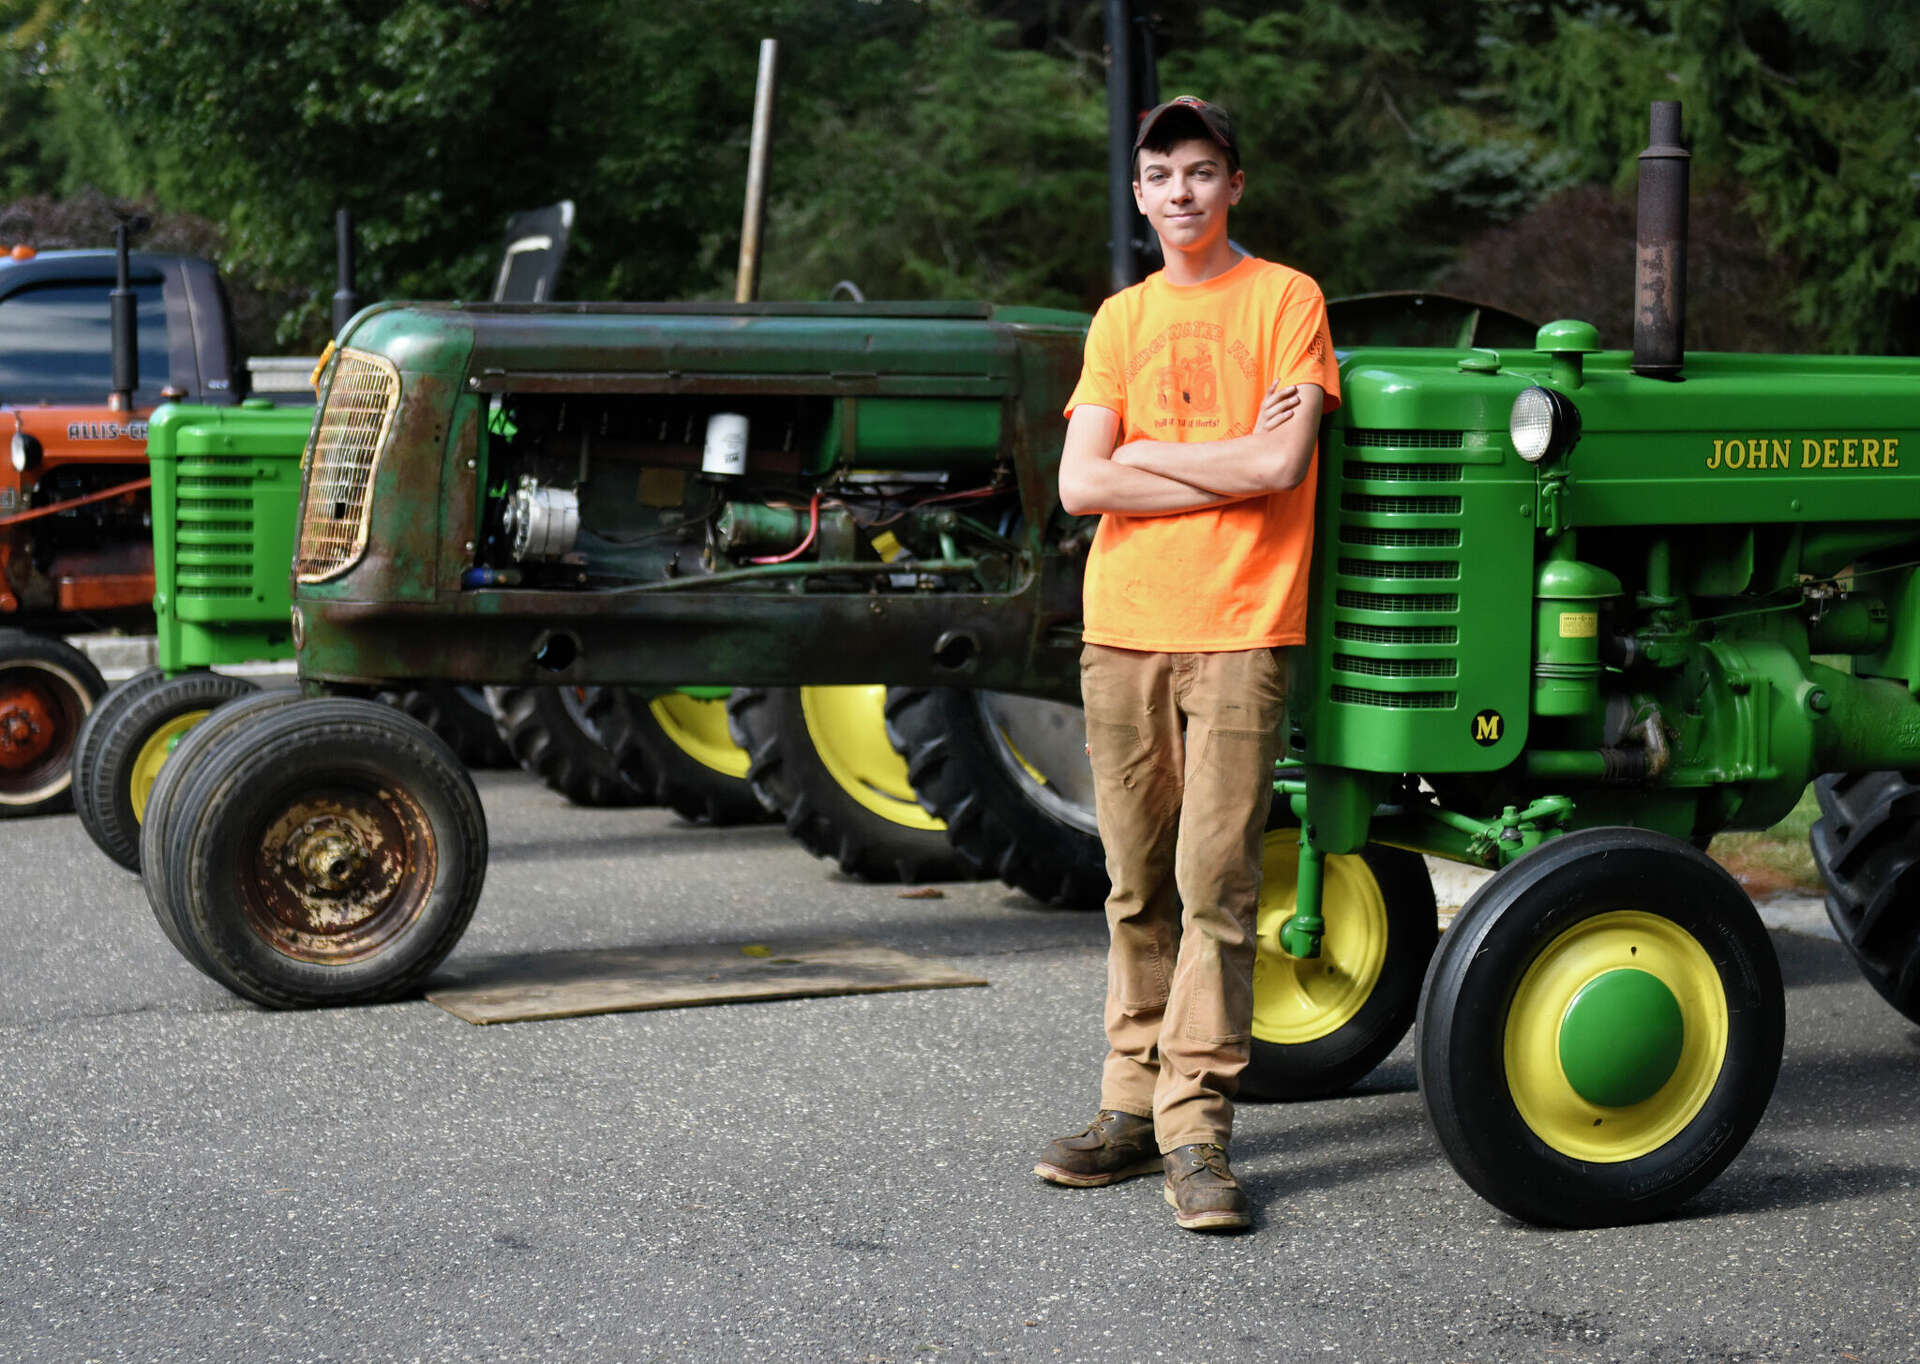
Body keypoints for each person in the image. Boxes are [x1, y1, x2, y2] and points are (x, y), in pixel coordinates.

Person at [1034, 95, 1340, 1232]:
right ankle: (1127, 1109)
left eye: (1202, 171)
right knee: (1132, 884)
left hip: (1242, 624)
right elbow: (1081, 484)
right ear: (1139, 193)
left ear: (1234, 185)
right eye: (1161, 174)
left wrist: (1154, 455)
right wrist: (1228, 459)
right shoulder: (1119, 318)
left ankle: (1199, 1131)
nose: (1181, 192)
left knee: (1216, 885)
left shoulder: (1287, 299)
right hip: (1122, 628)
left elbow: (1285, 459)